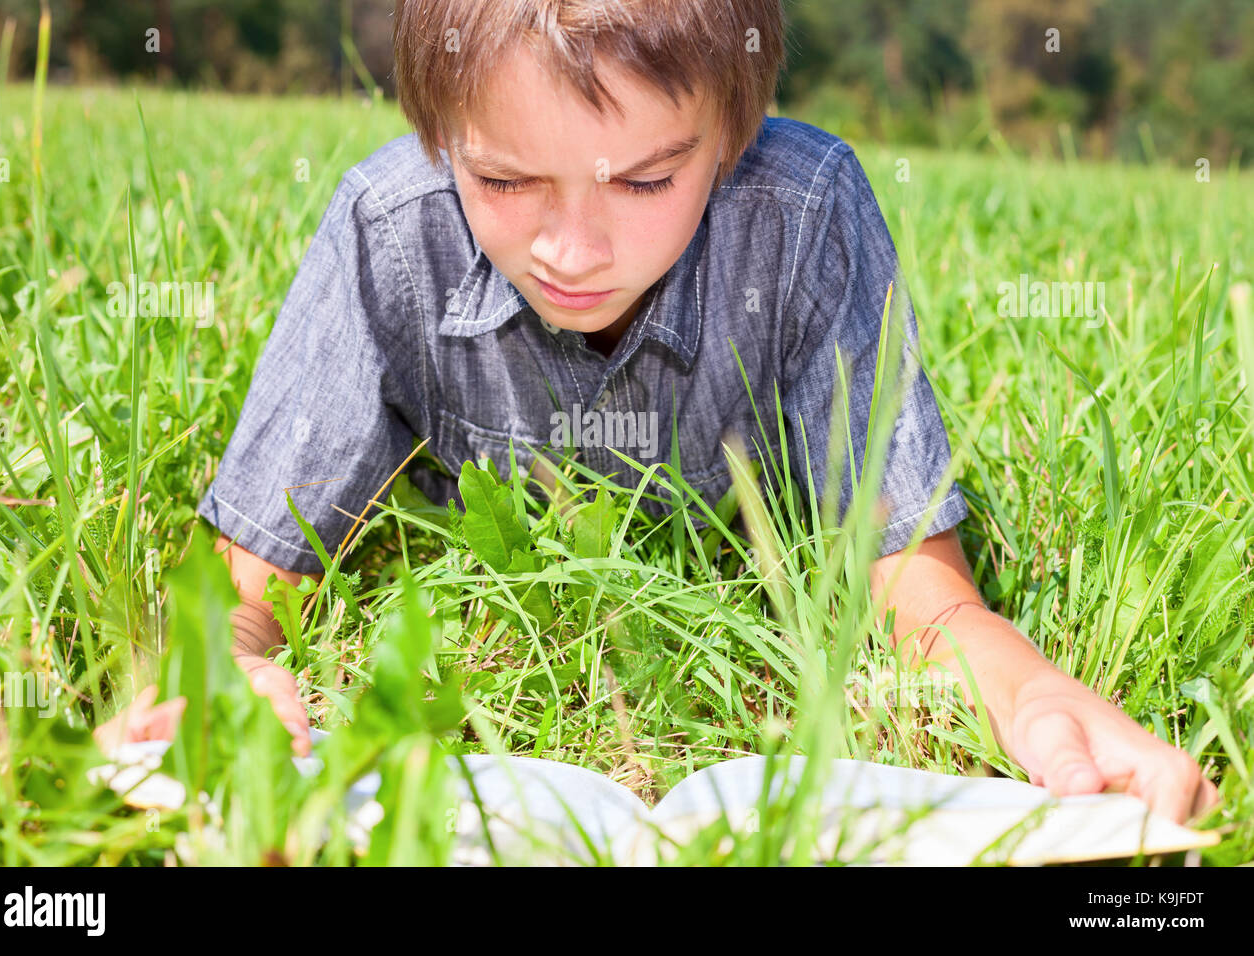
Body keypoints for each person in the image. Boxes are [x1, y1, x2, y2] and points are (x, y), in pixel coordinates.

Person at [100, 0, 1220, 826]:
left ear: (729, 137)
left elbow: (912, 586)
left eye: (643, 183)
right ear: (443, 141)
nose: (573, 251)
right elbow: (244, 586)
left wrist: (1027, 692)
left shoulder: (802, 213)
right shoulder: (389, 229)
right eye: (503, 182)